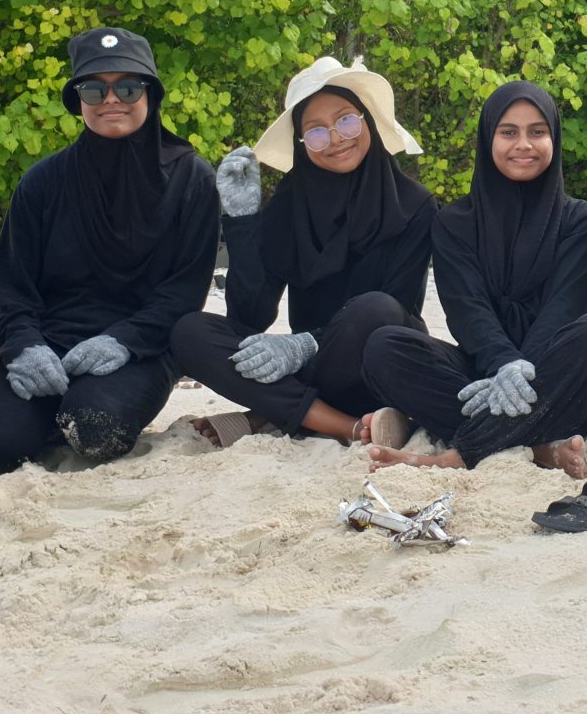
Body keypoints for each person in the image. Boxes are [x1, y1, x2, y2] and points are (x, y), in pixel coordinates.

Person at [0, 27, 219, 475]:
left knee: (95, 429)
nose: (111, 99)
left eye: (129, 87)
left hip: (143, 344)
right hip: (50, 338)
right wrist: (24, 347)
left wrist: (125, 341)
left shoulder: (192, 180)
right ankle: (47, 408)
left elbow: (184, 292)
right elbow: (14, 285)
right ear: (78, 100)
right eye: (95, 88)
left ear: (151, 95)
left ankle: (77, 406)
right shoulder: (41, 182)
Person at [360, 80, 587, 477]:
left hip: (557, 369)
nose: (523, 144)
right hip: (483, 369)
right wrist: (502, 366)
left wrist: (521, 368)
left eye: (537, 132)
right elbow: (468, 312)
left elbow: (565, 308)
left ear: (554, 137)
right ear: (487, 138)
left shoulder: (581, 221)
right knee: (384, 346)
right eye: (508, 132)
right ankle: (539, 447)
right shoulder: (452, 223)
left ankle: (461, 453)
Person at [171, 57, 434, 445]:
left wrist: (307, 343)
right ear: (302, 144)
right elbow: (250, 317)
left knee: (374, 308)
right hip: (302, 370)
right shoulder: (290, 202)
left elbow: (394, 309)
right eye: (316, 132)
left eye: (346, 120)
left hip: (381, 364)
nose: (336, 138)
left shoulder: (415, 205)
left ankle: (268, 413)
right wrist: (243, 221)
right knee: (188, 331)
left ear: (367, 121)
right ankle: (342, 426)